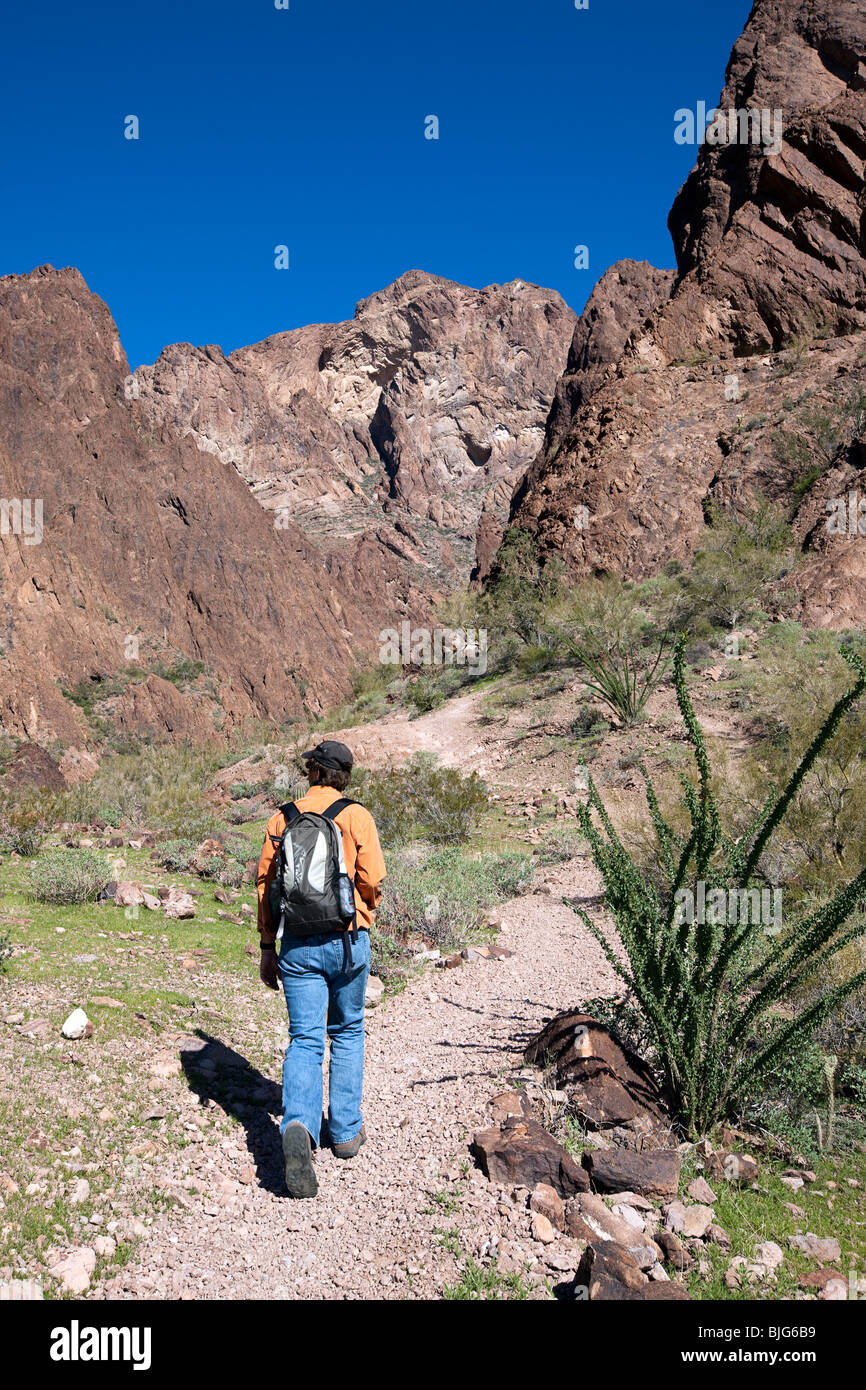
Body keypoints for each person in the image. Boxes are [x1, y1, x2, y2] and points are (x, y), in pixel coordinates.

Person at [256, 739, 386, 1198]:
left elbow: (264, 883)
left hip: (296, 945)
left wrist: (266, 944)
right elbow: (371, 878)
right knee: (347, 1030)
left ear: (312, 771)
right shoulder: (357, 816)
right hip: (349, 940)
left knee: (305, 1038)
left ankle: (298, 1125)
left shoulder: (282, 817)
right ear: (344, 775)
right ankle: (346, 1134)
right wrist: (362, 909)